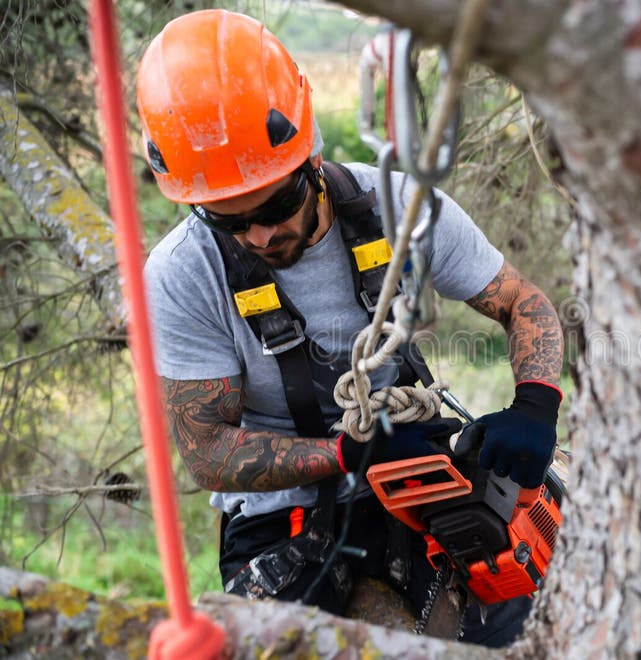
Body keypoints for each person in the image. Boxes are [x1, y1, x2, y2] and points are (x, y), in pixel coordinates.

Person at [137, 9, 564, 647]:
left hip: (419, 468)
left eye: (277, 205)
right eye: (229, 220)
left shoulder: (399, 209)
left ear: (308, 159)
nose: (260, 235)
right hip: (285, 513)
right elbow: (207, 452)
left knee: (540, 612)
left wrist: (535, 403)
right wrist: (346, 454)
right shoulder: (182, 274)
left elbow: (524, 303)